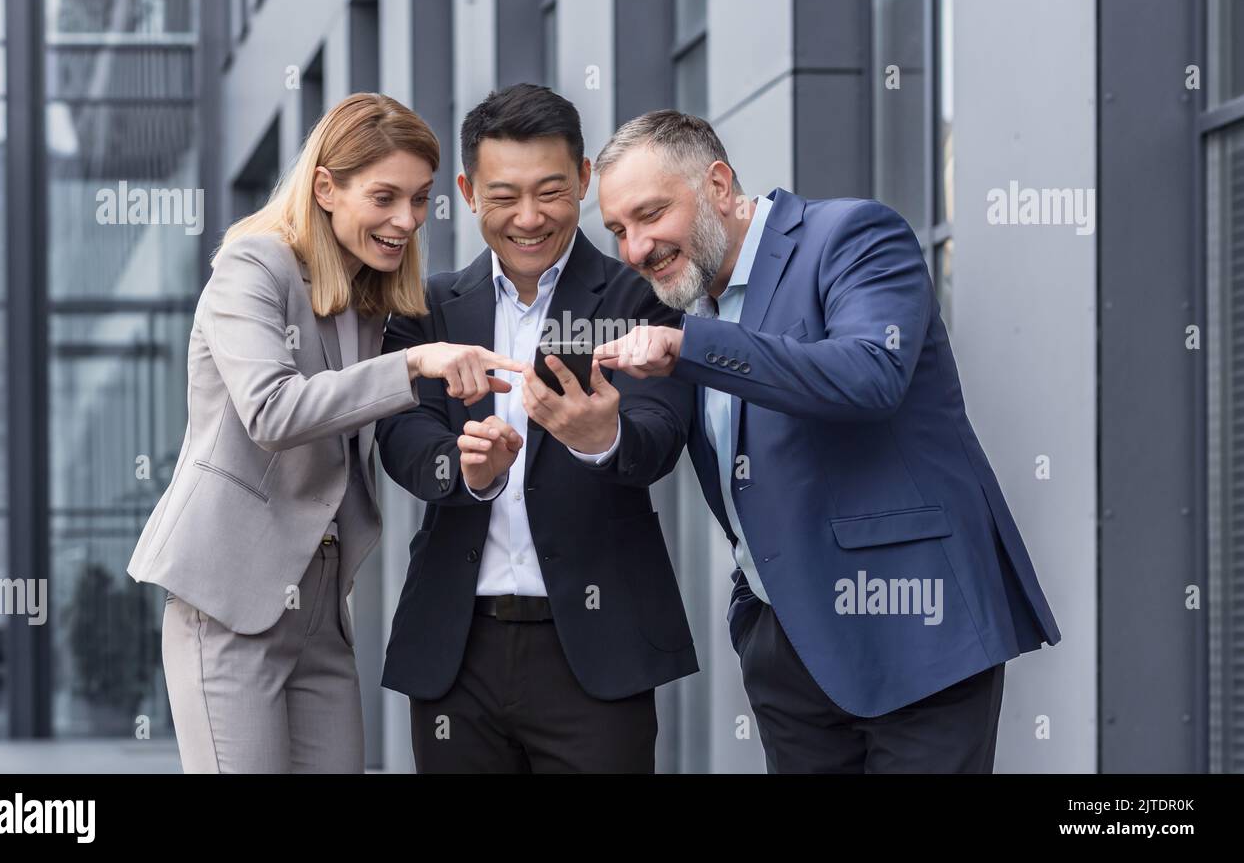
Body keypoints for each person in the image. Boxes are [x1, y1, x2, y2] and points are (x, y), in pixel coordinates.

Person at [592, 109, 1062, 773]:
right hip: (786, 651)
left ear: (720, 187)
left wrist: (691, 347)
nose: (636, 248)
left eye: (650, 215)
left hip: (912, 629)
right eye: (619, 230)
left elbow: (871, 375)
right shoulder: (690, 305)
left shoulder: (853, 236)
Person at [127, 92, 523, 773]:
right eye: (385, 197)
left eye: (421, 199)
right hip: (229, 599)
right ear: (326, 188)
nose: (407, 220)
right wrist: (413, 363)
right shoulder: (252, 266)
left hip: (321, 605)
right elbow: (273, 411)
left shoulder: (369, 291)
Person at [375, 84, 696, 773]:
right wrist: (463, 471)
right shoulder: (425, 308)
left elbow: (661, 432)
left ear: (584, 180)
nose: (528, 218)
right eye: (503, 194)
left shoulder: (637, 293)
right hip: (458, 653)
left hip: (597, 652)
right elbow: (401, 439)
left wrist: (602, 437)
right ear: (466, 190)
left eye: (550, 191)